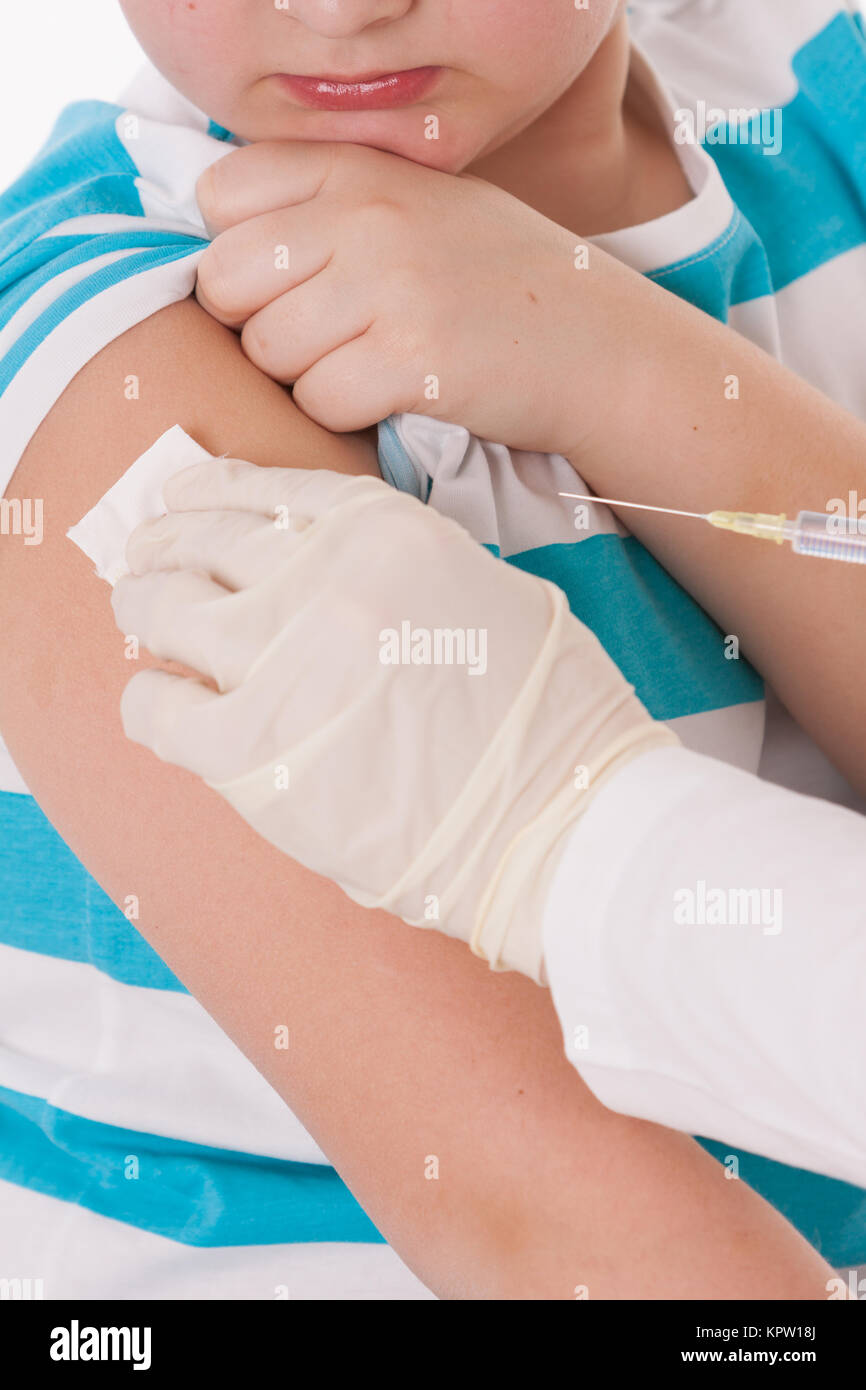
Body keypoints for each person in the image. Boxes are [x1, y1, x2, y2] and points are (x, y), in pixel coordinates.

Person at [0, 0, 864, 1297]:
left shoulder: (822, 97)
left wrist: (626, 364)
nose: (339, 9)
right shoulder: (118, 369)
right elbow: (552, 1228)